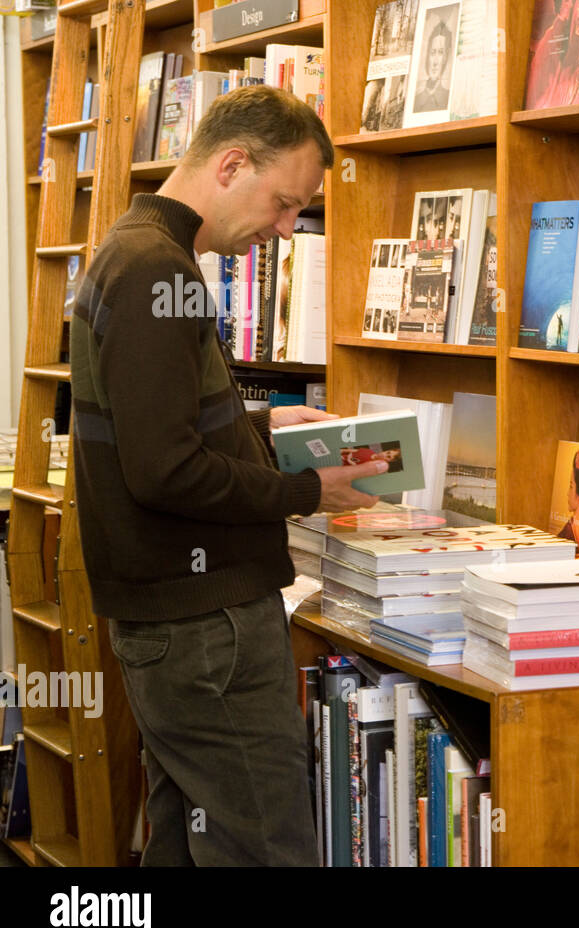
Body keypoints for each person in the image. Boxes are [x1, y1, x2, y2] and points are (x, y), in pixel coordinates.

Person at [69, 85, 387, 866]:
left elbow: (158, 427)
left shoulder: (143, 250)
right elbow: (164, 471)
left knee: (185, 840)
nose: (284, 229)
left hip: (179, 625)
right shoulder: (154, 271)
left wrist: (262, 426)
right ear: (232, 162)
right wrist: (310, 492)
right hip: (204, 628)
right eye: (283, 204)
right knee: (265, 847)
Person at [411, 17, 453, 113]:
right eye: (432, 53)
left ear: (446, 59)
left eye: (441, 53)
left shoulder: (448, 98)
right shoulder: (415, 100)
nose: (435, 62)